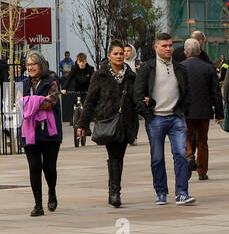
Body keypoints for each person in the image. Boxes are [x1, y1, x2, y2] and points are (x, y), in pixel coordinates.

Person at [76, 40, 138, 207]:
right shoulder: (100, 75)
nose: (119, 56)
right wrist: (82, 124)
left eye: (121, 53)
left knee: (120, 156)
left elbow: (137, 97)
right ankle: (114, 192)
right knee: (114, 155)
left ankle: (114, 190)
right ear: (109, 56)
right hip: (108, 120)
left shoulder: (131, 75)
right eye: (115, 53)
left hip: (125, 121)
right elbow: (90, 100)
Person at [135, 32, 194, 205]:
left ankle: (182, 192)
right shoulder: (148, 68)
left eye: (170, 45)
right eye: (164, 46)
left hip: (176, 117)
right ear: (156, 47)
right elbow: (137, 94)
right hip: (156, 119)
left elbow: (188, 92)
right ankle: (161, 192)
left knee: (181, 155)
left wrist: (183, 111)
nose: (168, 49)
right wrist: (148, 115)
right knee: (157, 157)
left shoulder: (180, 68)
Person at [19, 53, 62, 216]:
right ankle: (38, 205)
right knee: (34, 167)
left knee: (49, 168)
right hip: (29, 132)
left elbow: (50, 103)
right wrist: (36, 102)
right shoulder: (23, 84)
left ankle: (52, 191)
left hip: (50, 133)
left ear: (41, 65)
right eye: (28, 64)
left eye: (33, 64)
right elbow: (19, 104)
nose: (30, 67)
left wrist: (31, 102)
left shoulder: (52, 82)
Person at [180, 37, 222, 181]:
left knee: (185, 137)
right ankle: (202, 171)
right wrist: (219, 113)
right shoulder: (208, 68)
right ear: (199, 52)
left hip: (186, 111)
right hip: (204, 111)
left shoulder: (179, 67)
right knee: (203, 141)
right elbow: (216, 91)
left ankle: (189, 155)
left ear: (185, 52)